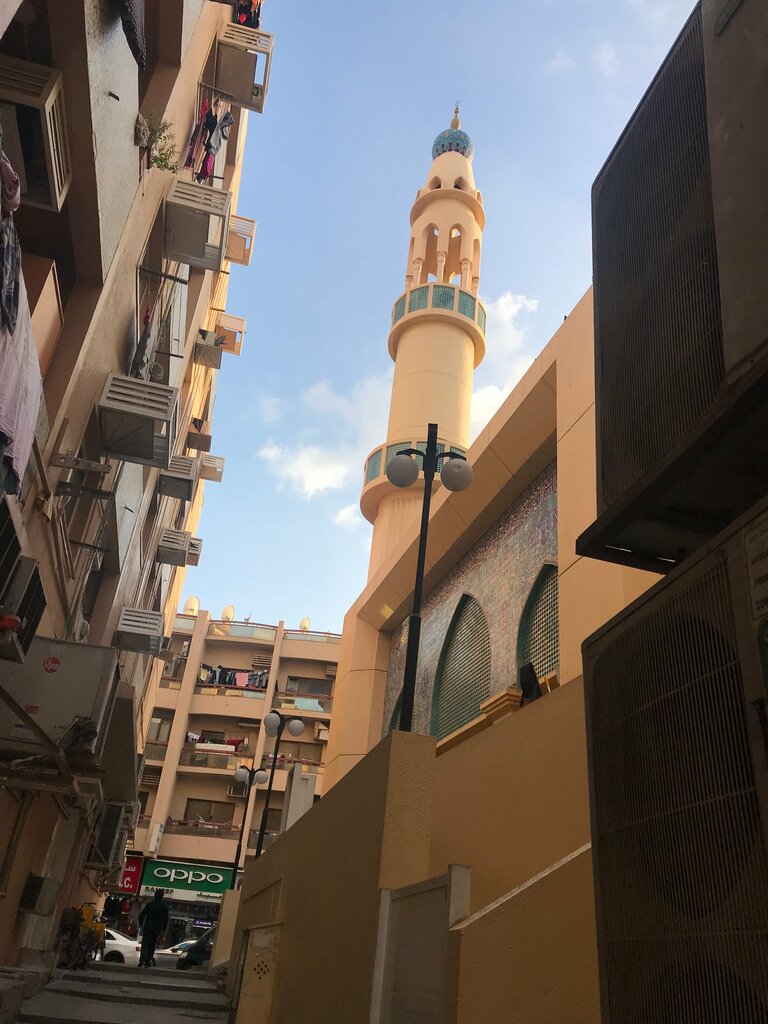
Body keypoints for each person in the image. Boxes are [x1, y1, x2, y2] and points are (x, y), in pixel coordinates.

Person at [138, 890, 169, 968]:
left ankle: (142, 961)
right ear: (162, 896)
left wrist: (140, 924)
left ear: (155, 895)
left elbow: (142, 914)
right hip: (157, 928)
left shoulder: (150, 904)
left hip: (148, 926)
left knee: (145, 944)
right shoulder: (164, 906)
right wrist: (163, 930)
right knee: (152, 945)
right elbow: (166, 919)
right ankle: (148, 961)